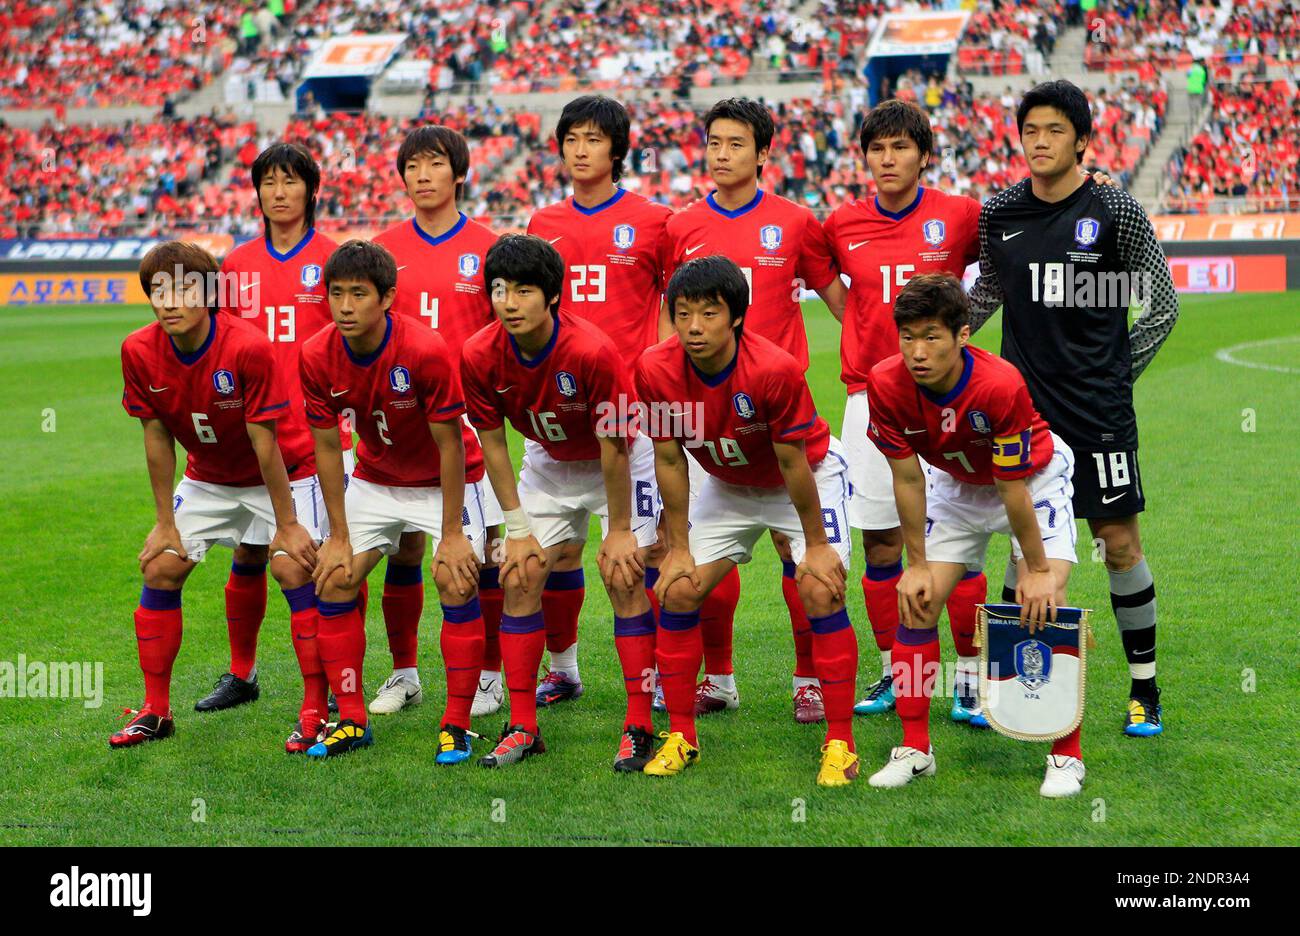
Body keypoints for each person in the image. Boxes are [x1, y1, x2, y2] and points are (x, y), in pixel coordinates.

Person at [968, 80, 1179, 737]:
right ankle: (997, 690)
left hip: (1099, 416)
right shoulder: (1000, 214)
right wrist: (936, 342)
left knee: (1118, 543)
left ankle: (1145, 688)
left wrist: (1115, 376)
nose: (1039, 141)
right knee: (1018, 546)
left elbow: (1161, 305)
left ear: (1083, 140)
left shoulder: (1114, 209)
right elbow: (987, 297)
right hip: (1023, 414)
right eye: (1030, 130)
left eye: (1055, 130)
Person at [635, 255, 858, 786]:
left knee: (820, 589)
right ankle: (682, 736)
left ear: (736, 316)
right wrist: (680, 545)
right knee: (679, 588)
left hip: (802, 477)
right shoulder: (655, 368)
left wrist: (816, 545)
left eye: (709, 314)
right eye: (683, 313)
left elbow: (792, 461)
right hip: (727, 483)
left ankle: (841, 742)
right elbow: (668, 459)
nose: (693, 327)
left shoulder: (774, 368)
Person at [661, 97, 848, 723]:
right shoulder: (681, 225)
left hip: (781, 411)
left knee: (801, 562)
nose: (721, 154)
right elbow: (670, 312)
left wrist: (878, 371)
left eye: (736, 143)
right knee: (703, 555)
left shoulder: (796, 222)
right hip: (712, 420)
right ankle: (718, 678)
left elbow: (843, 302)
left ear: (764, 153)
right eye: (713, 142)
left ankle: (811, 680)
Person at [865, 273, 1084, 798]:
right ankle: (916, 749)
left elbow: (1012, 488)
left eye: (932, 337)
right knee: (916, 603)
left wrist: (1034, 571)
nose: (918, 352)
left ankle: (1066, 756)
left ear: (964, 335)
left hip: (1031, 481)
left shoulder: (999, 383)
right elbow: (907, 477)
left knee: (1045, 602)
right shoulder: (885, 383)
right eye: (908, 337)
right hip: (958, 487)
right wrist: (915, 564)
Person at [461, 234, 660, 770]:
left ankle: (640, 723)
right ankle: (523, 726)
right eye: (500, 289)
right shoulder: (479, 354)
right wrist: (516, 525)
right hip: (548, 461)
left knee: (625, 574)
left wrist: (619, 529)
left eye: (524, 291)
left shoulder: (591, 351)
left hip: (618, 459)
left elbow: (615, 443)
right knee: (519, 573)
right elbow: (494, 442)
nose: (509, 302)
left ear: (552, 296)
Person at [821, 99, 988, 725]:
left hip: (950, 399)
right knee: (882, 542)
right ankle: (900, 670)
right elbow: (839, 295)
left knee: (959, 542)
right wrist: (869, 336)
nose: (887, 160)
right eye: (876, 149)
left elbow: (1016, 234)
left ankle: (969, 679)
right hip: (871, 399)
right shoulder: (841, 224)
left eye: (900, 148)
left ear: (923, 155)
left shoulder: (960, 215)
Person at [113, 242, 317, 748]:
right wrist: (165, 521)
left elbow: (263, 441)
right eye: (159, 290)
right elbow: (157, 436)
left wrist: (288, 523)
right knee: (161, 564)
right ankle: (156, 711)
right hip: (210, 475)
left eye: (183, 287)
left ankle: (318, 706)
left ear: (209, 294)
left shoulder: (246, 347)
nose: (170, 301)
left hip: (284, 472)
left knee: (293, 566)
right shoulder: (138, 350)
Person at [299, 240, 486, 761]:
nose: (345, 306)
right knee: (333, 578)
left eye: (359, 294)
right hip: (376, 478)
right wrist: (337, 536)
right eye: (336, 294)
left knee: (454, 576)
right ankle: (353, 720)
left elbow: (451, 445)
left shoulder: (423, 350)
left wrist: (450, 535)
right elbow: (327, 447)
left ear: (388, 298)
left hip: (444, 480)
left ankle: (457, 722)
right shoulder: (316, 354)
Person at [524, 95, 674, 710]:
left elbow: (675, 301)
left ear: (617, 149)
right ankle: (563, 669)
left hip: (633, 415)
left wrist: (659, 377)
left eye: (593, 139)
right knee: (552, 554)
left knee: (643, 555)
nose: (580, 149)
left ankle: (659, 677)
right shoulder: (541, 223)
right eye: (571, 139)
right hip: (555, 417)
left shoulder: (655, 219)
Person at [207, 144, 343, 753]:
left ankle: (334, 689)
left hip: (313, 436)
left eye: (290, 181)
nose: (278, 192)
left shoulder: (334, 259)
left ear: (311, 190)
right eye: (268, 182)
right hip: (249, 437)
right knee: (248, 552)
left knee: (315, 562)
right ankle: (242, 674)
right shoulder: (234, 264)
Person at [372, 126, 505, 717]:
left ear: (459, 173)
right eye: (412, 166)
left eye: (434, 164)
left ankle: (490, 674)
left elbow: (507, 332)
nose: (422, 175)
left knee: (481, 556)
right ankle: (404, 674)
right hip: (398, 422)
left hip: (471, 422)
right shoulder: (381, 251)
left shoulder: (490, 248)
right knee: (402, 550)